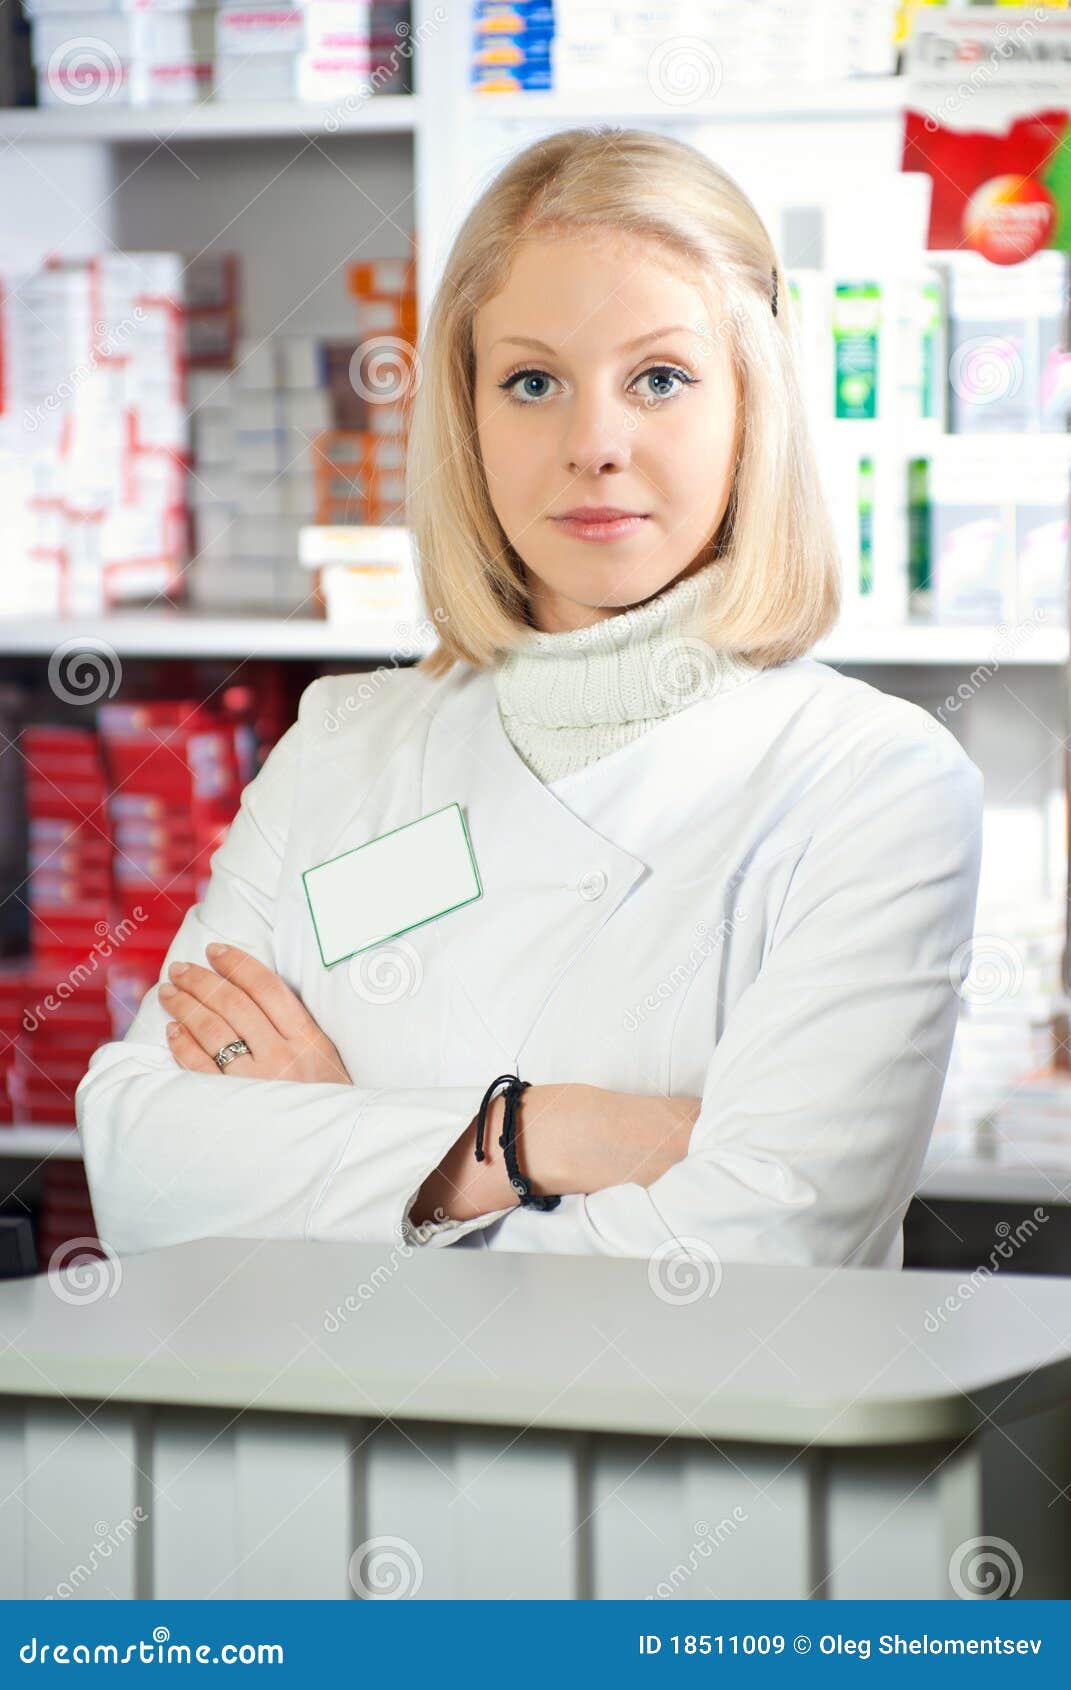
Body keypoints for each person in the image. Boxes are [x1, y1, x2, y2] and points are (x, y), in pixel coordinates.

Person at [76, 128, 983, 1269]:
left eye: (660, 378)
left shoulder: (871, 782)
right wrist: (539, 1131)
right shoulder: (345, 742)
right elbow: (143, 1162)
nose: (593, 444)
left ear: (754, 402)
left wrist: (342, 1144)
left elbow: (763, 1250)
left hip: (680, 1444)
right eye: (532, 381)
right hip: (314, 1441)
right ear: (468, 417)